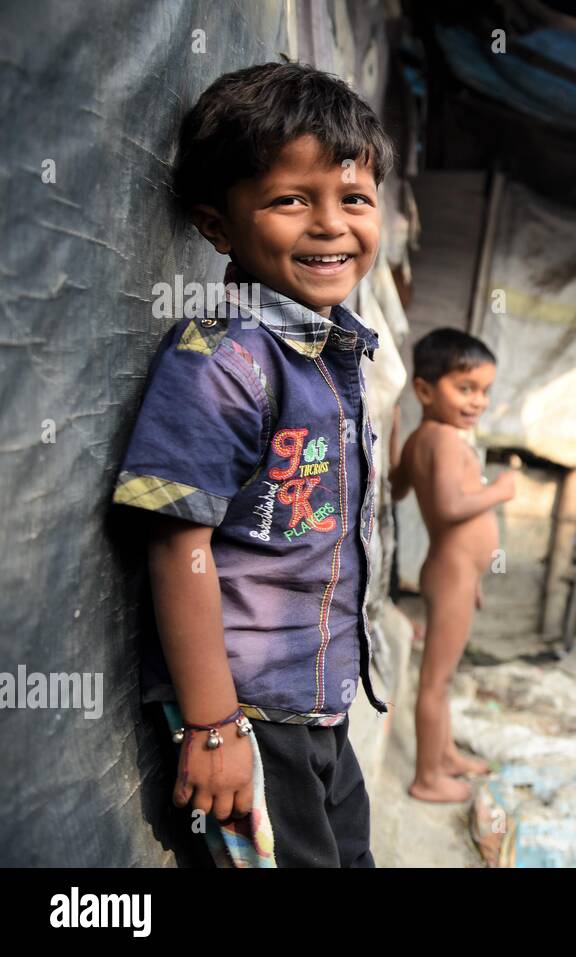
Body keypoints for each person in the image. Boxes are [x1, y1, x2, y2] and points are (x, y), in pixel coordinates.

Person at [112, 61, 396, 866]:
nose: (330, 225)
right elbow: (179, 542)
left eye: (354, 199)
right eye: (290, 200)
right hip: (246, 713)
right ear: (217, 225)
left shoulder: (332, 353)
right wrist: (211, 725)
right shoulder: (224, 359)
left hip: (317, 707)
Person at [391, 328, 515, 803]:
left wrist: (400, 442)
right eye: (465, 389)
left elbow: (398, 486)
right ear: (424, 390)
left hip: (456, 573)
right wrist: (499, 492)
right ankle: (428, 777)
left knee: (444, 679)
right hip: (450, 574)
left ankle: (444, 757)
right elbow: (447, 506)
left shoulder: (427, 436)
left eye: (484, 391)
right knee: (435, 682)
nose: (478, 401)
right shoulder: (443, 440)